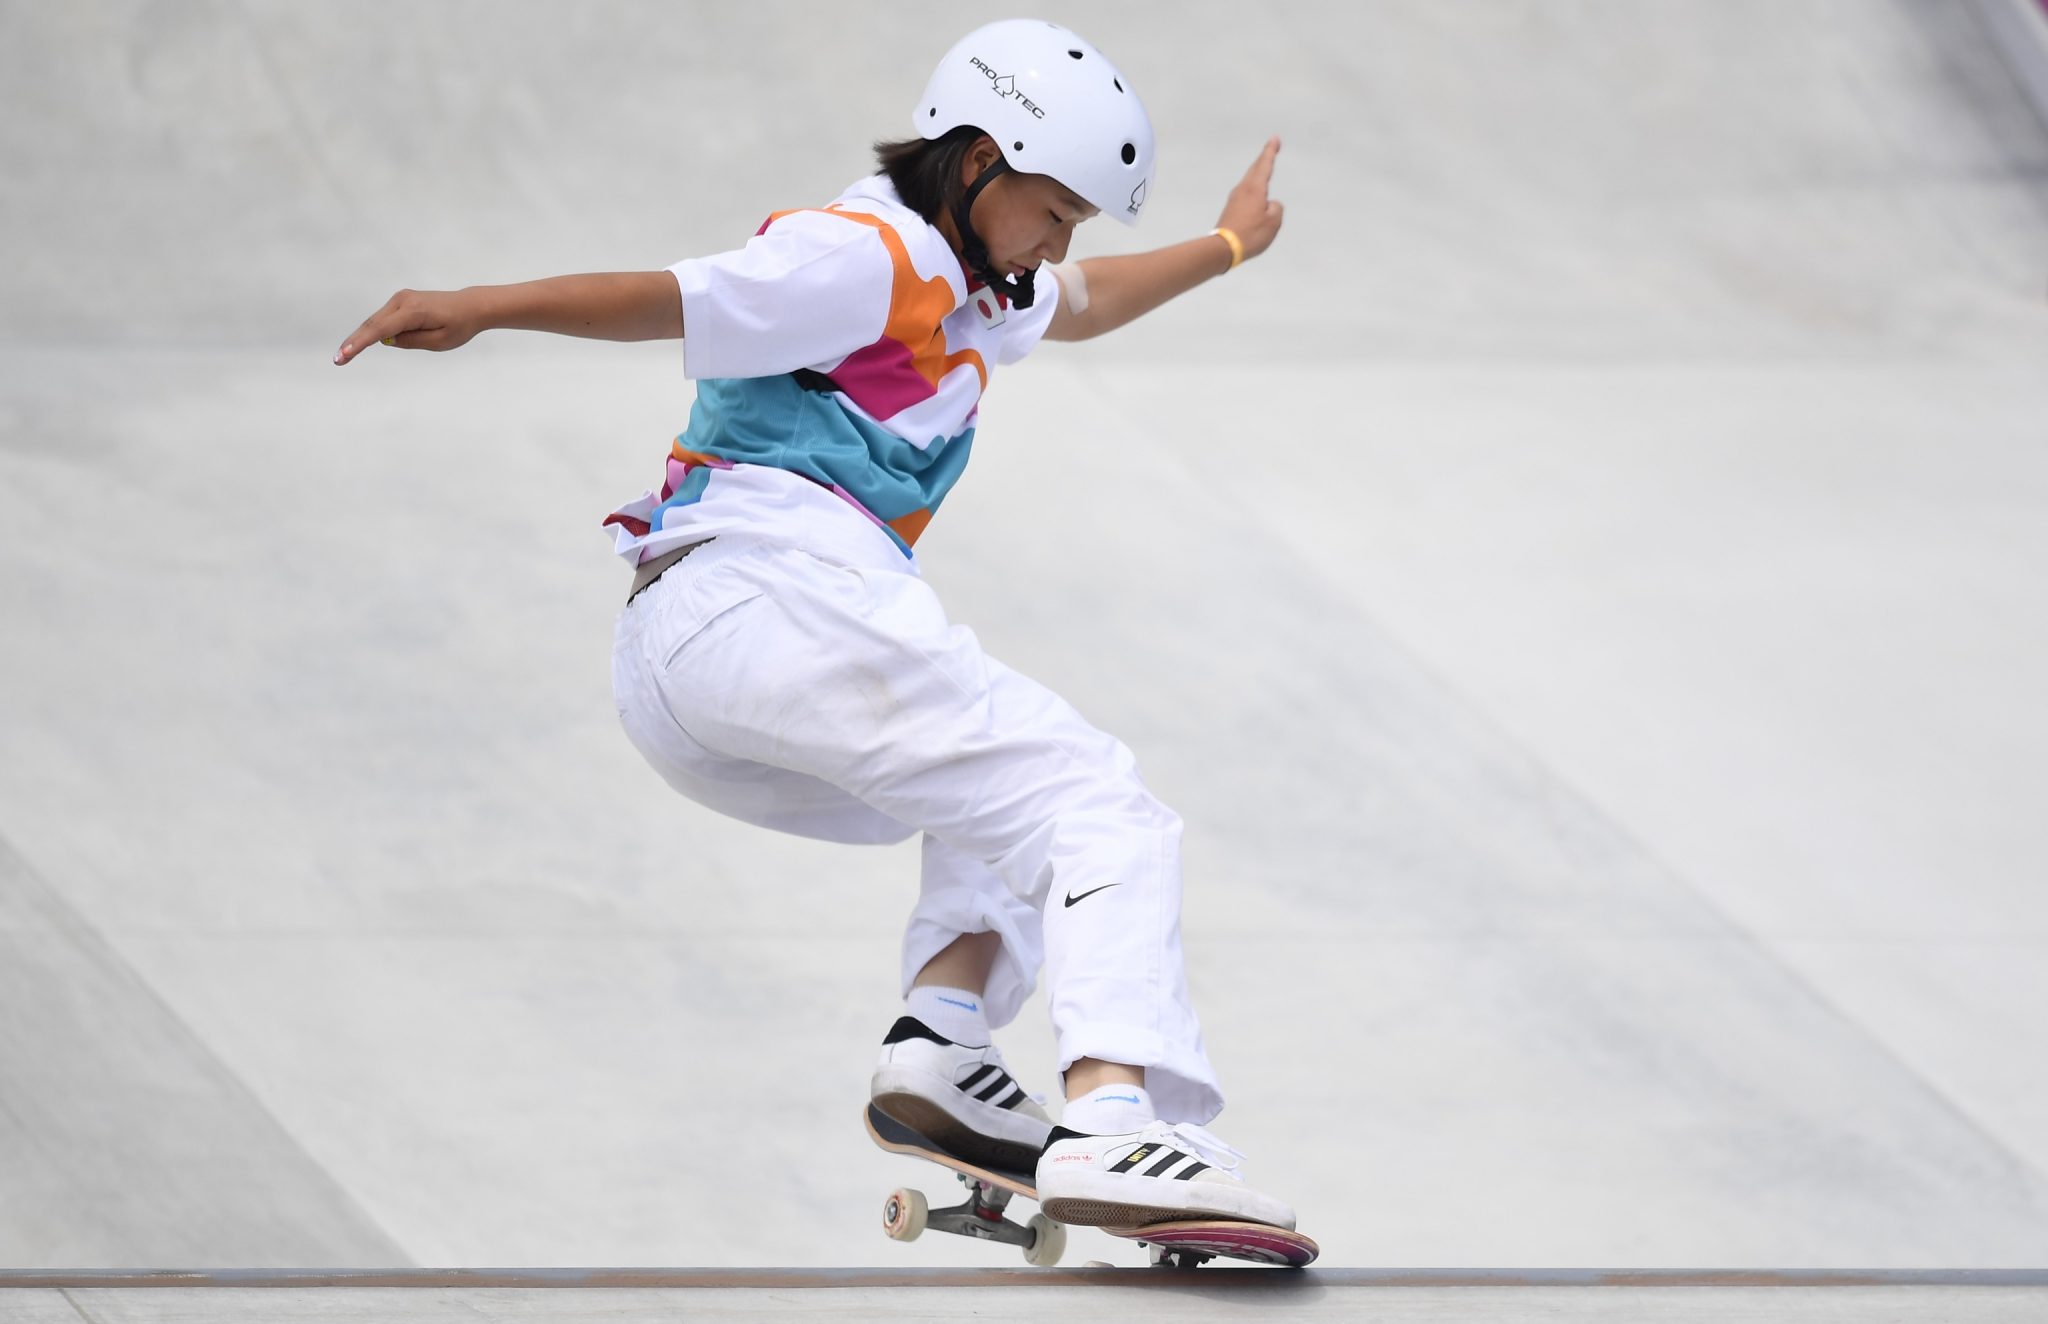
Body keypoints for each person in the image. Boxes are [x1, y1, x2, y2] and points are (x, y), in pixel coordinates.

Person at [335, 18, 1291, 1231]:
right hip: (764, 598)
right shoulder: (864, 254)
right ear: (979, 162)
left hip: (697, 665)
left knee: (998, 810)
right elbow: (668, 300)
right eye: (1052, 210)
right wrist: (478, 306)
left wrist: (1224, 245)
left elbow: (1089, 301)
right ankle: (1113, 1119)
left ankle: (940, 1042)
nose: (1056, 245)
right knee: (1098, 804)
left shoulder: (976, 285)